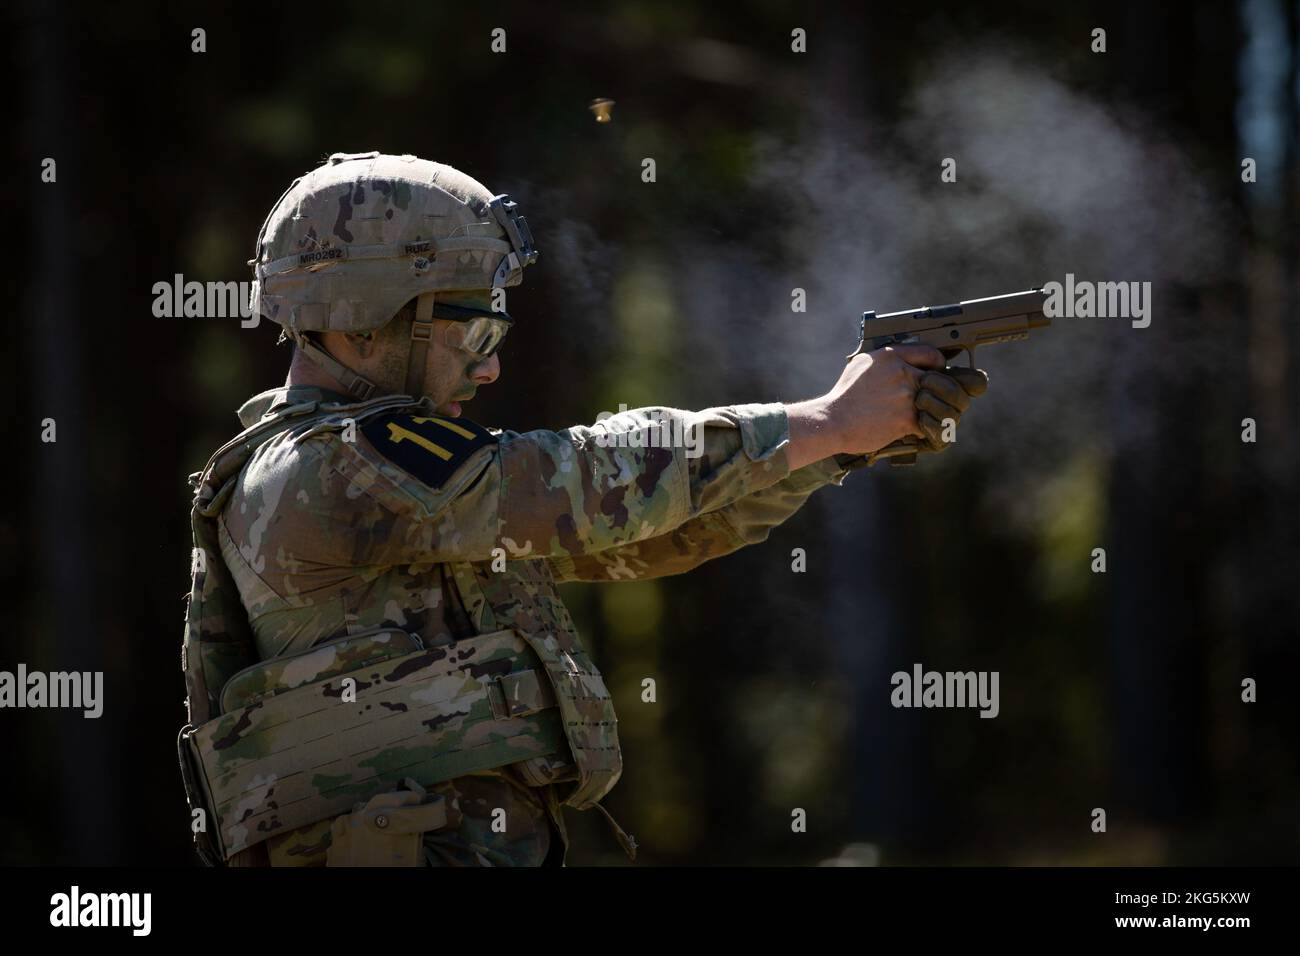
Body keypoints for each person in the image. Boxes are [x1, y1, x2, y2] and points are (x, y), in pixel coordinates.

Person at [176, 151, 989, 867]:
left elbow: (646, 539)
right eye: (476, 336)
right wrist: (828, 421)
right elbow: (585, 484)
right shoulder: (329, 470)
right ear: (359, 328)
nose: (488, 372)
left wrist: (837, 443)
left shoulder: (386, 482)